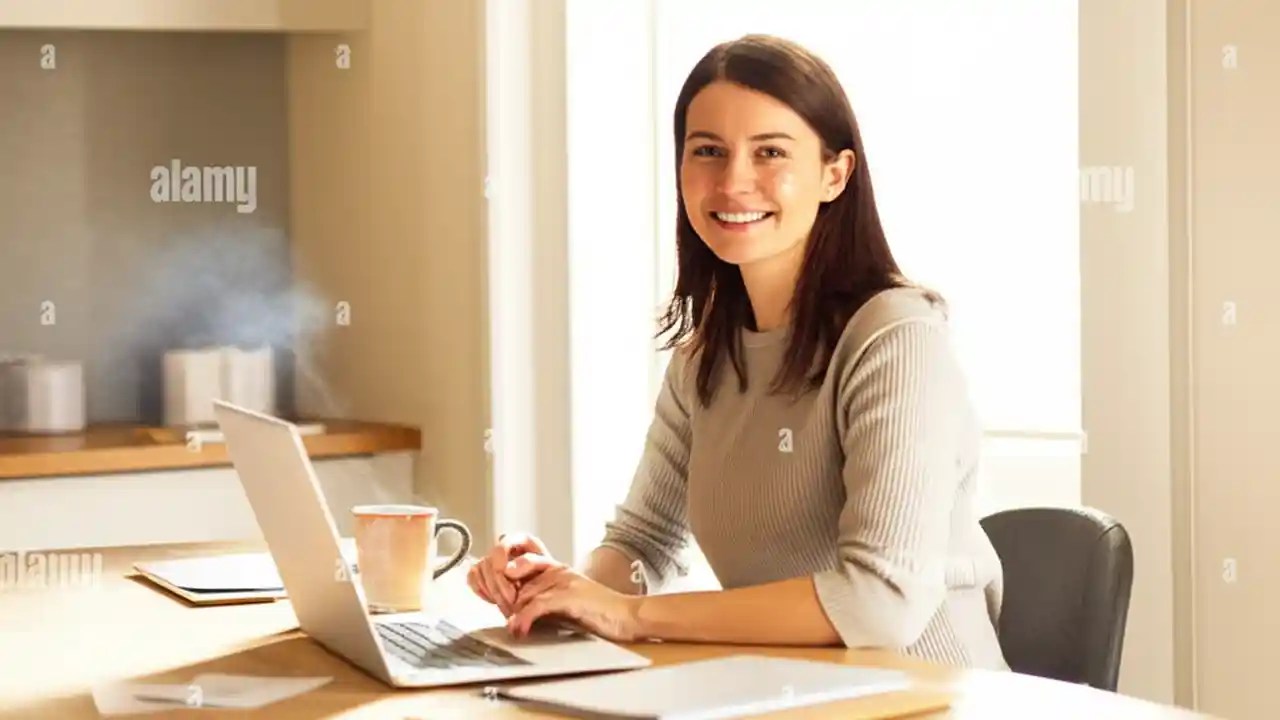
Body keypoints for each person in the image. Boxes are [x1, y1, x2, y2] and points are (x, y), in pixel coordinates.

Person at [467, 33, 1008, 671]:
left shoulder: (896, 338)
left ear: (835, 174)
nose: (732, 180)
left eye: (770, 151)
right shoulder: (705, 356)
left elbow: (880, 602)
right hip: (787, 694)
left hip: (929, 696)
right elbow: (644, 544)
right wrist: (560, 590)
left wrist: (629, 616)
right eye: (708, 151)